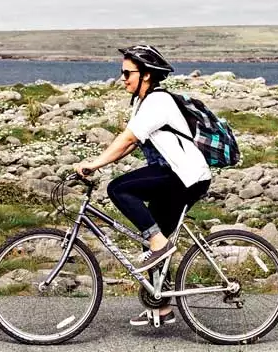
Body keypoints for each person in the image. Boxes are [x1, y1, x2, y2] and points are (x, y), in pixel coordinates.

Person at [74, 44, 212, 328]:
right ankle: (161, 308)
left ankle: (159, 245)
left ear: (146, 75)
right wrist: (99, 162)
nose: (122, 78)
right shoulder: (142, 102)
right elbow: (134, 142)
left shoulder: (157, 101)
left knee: (119, 189)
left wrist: (96, 164)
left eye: (127, 73)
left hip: (184, 177)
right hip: (176, 175)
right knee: (155, 235)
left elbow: (126, 138)